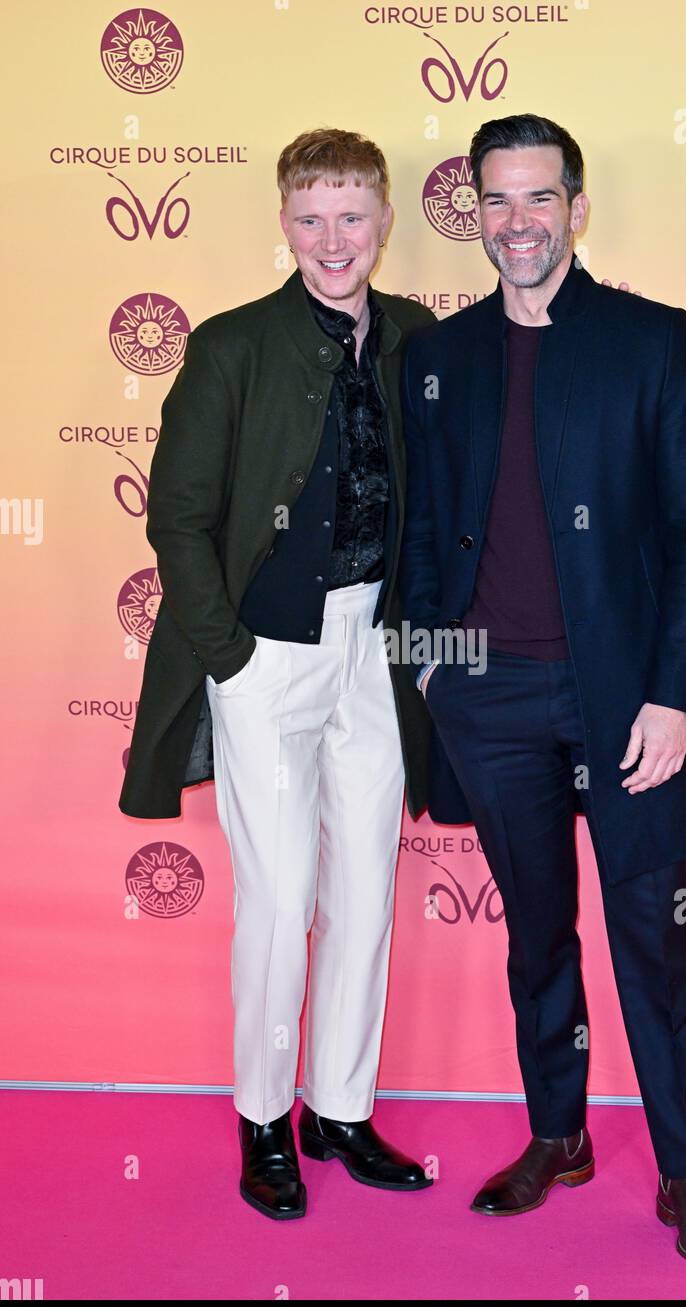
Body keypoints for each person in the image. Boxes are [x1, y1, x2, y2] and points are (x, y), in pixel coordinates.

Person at [398, 113, 686, 1266]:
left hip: (626, 703)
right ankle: (558, 1135)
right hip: (488, 704)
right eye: (495, 201)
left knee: (651, 938)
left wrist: (670, 695)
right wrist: (435, 680)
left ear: (575, 207)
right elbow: (418, 539)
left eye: (537, 198)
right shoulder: (439, 360)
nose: (516, 222)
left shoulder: (650, 340)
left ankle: (685, 1171)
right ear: (475, 215)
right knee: (538, 938)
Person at [119, 128, 436, 1220]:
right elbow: (179, 516)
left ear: (384, 220)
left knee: (363, 891)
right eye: (311, 217)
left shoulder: (414, 338)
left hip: (374, 651)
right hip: (266, 652)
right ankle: (264, 1118)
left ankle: (338, 1108)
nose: (333, 239)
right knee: (279, 896)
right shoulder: (230, 346)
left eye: (352, 216)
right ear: (283, 222)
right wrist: (231, 654)